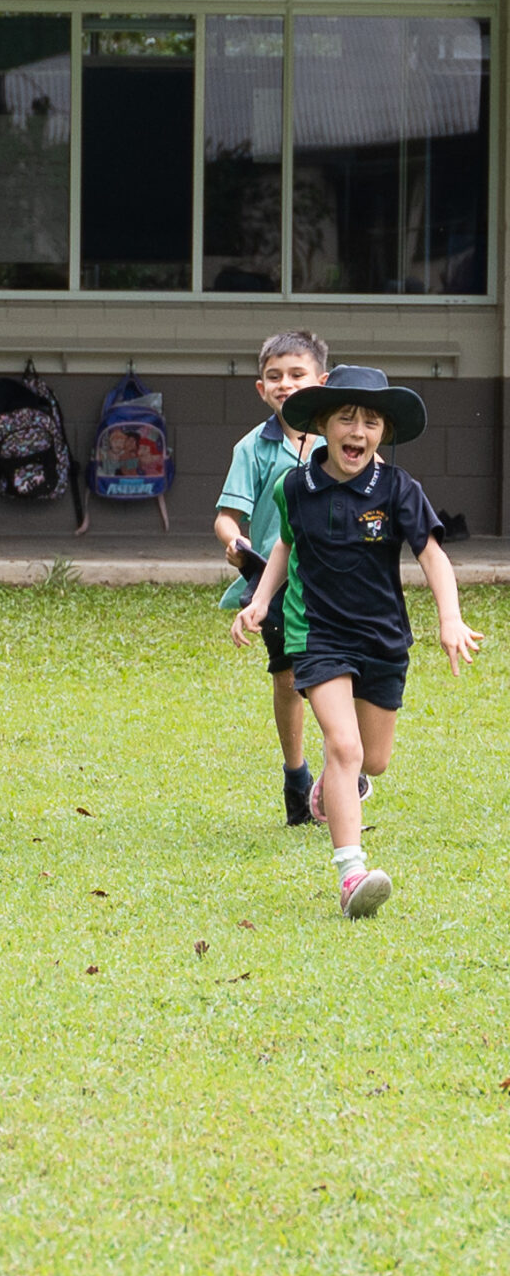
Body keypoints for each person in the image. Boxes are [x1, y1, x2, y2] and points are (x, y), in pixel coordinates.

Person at [232, 366, 482, 919]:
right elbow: (284, 547)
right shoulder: (295, 485)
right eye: (347, 417)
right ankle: (351, 875)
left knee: (374, 759)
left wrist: (450, 618)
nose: (359, 430)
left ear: (382, 432)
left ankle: (331, 785)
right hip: (319, 635)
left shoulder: (397, 488)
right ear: (322, 423)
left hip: (383, 640)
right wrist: (261, 600)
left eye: (371, 421)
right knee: (343, 747)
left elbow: (433, 555)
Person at [214, 330, 331, 825]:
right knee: (289, 679)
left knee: (338, 673)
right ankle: (297, 777)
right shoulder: (252, 449)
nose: (286, 384)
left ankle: (343, 768)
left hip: (334, 580)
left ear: (321, 383)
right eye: (275, 377)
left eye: (297, 375)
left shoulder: (341, 441)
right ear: (261, 389)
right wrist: (233, 540)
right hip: (273, 582)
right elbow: (226, 516)